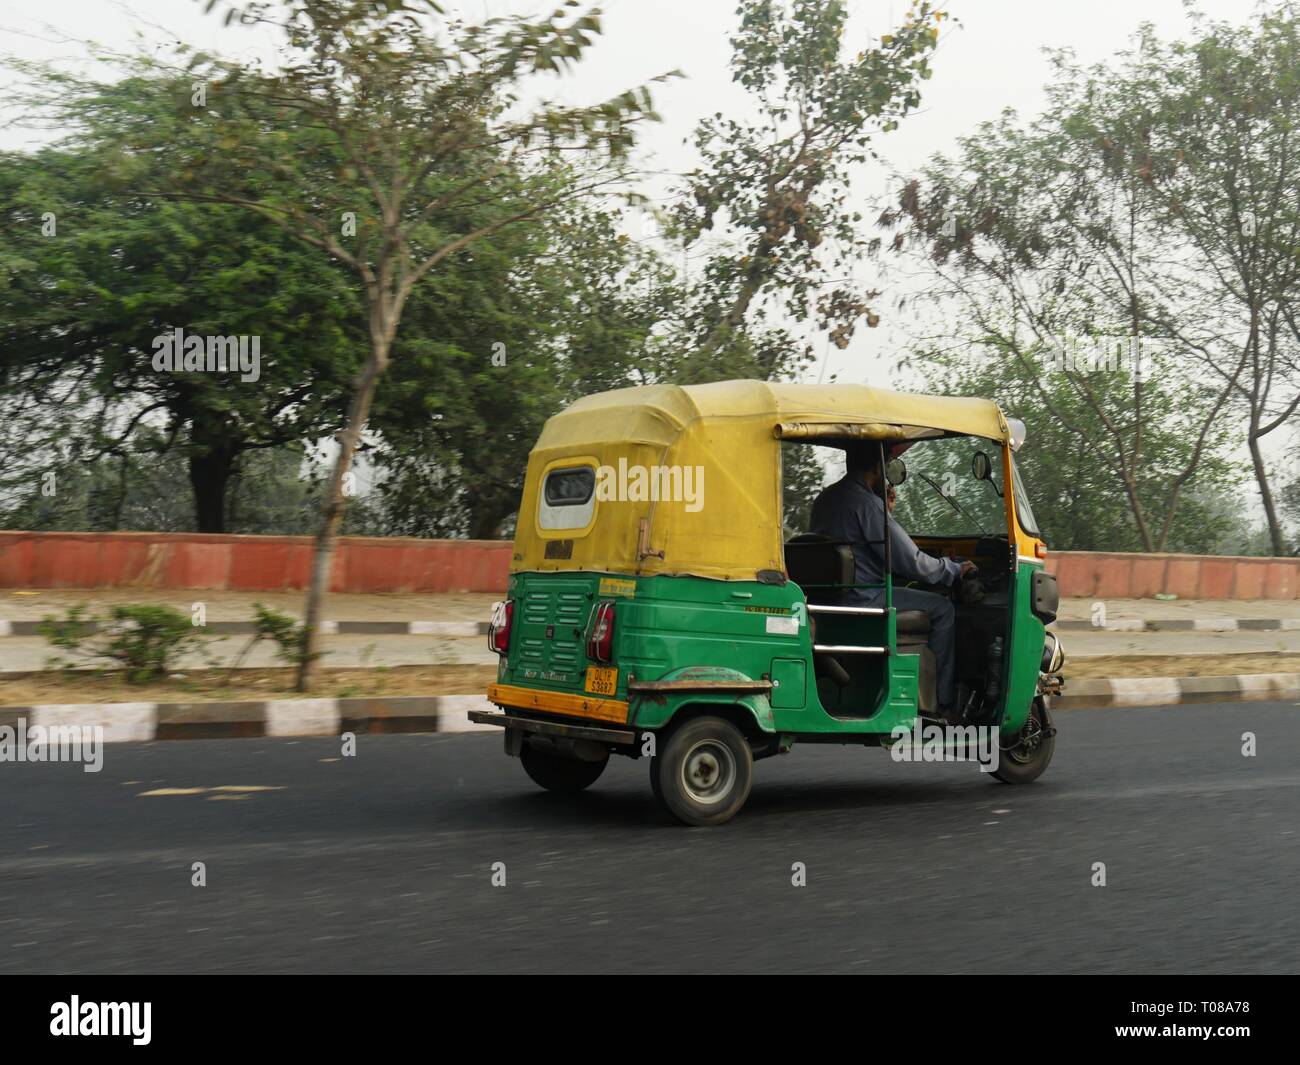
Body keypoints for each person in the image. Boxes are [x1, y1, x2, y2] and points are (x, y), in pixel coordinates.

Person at [809, 442, 976, 718]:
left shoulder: (826, 499)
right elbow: (912, 562)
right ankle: (942, 703)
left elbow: (866, 548)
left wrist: (885, 512)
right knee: (943, 609)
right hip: (865, 601)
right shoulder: (867, 505)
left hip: (828, 605)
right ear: (878, 468)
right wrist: (954, 570)